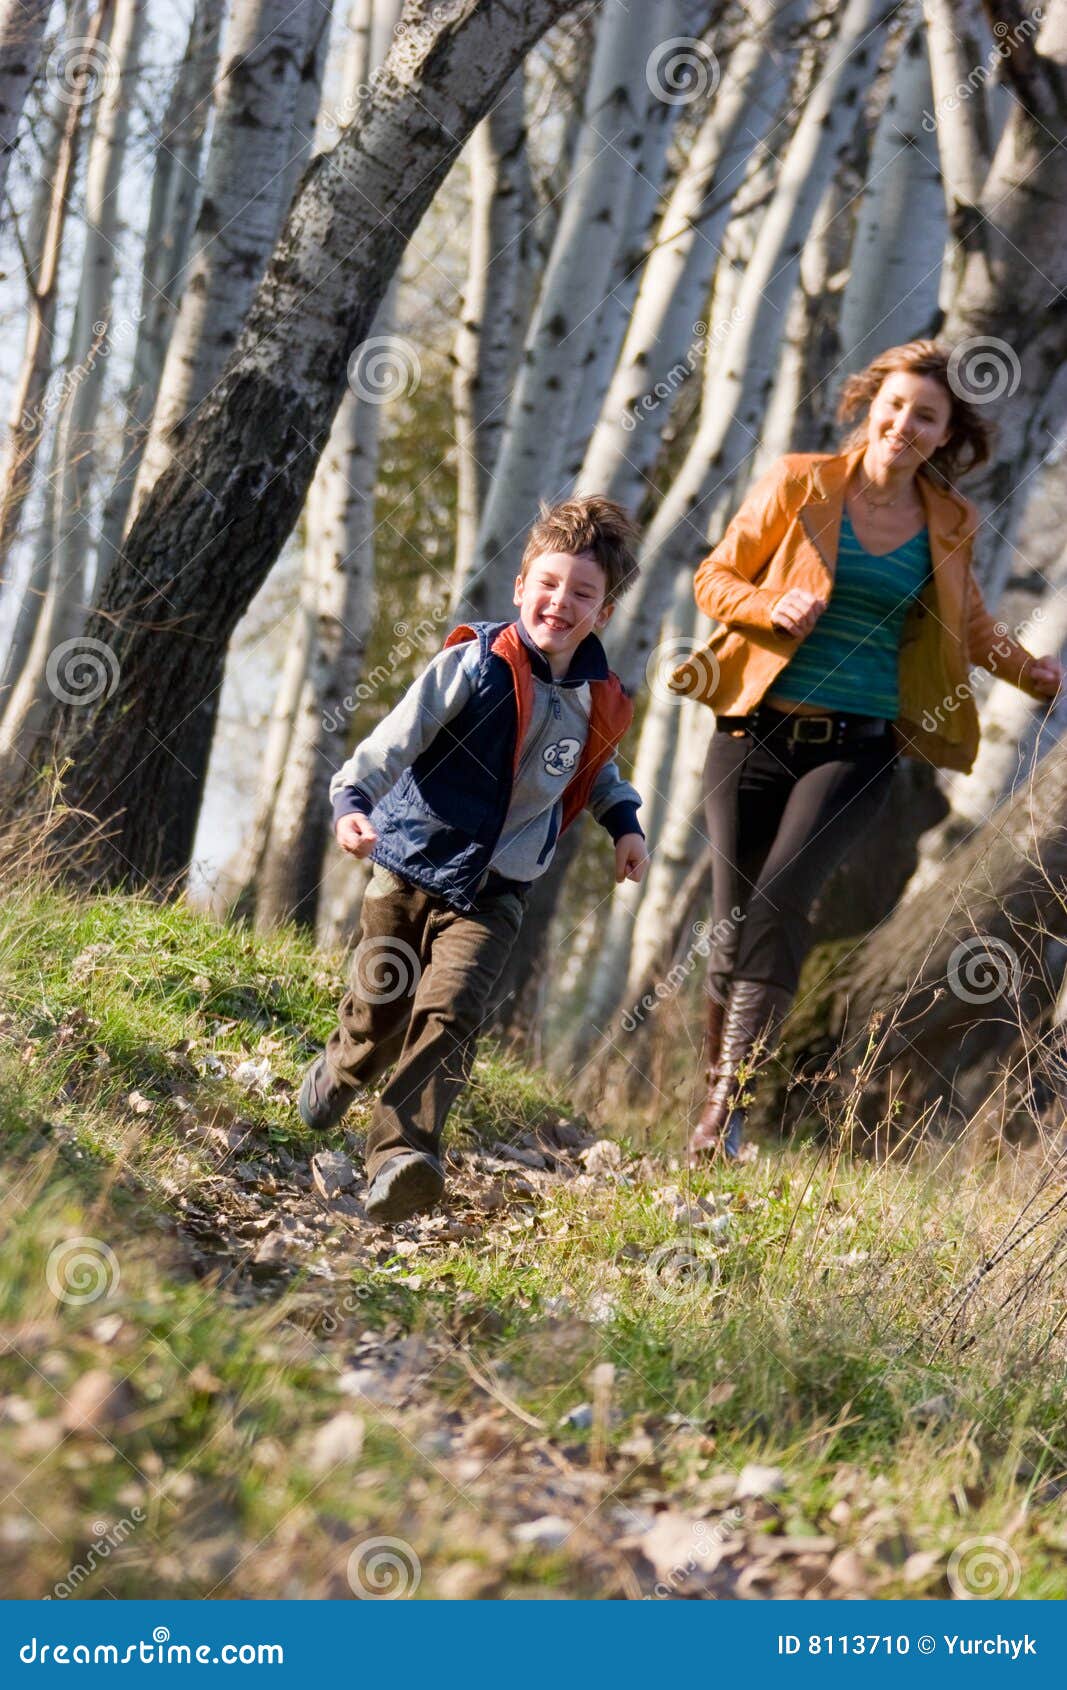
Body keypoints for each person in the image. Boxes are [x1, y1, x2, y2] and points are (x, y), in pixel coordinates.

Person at [672, 339, 1064, 1163]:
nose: (904, 424)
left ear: (944, 432)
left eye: (925, 416)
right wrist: (767, 604)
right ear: (868, 404)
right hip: (752, 730)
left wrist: (1033, 675)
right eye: (894, 406)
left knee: (778, 904)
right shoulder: (799, 481)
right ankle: (718, 1098)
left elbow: (972, 627)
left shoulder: (948, 521)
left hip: (857, 746)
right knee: (731, 920)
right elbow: (713, 577)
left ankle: (722, 1111)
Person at [299, 496, 649, 1222]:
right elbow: (396, 737)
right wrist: (353, 802)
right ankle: (341, 1066)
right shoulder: (472, 665)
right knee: (380, 1008)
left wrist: (624, 826)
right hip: (409, 864)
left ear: (604, 612)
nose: (561, 602)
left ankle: (401, 1154)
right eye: (547, 584)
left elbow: (600, 772)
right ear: (521, 585)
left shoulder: (598, 700)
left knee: (452, 1012)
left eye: (583, 593)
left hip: (496, 890)